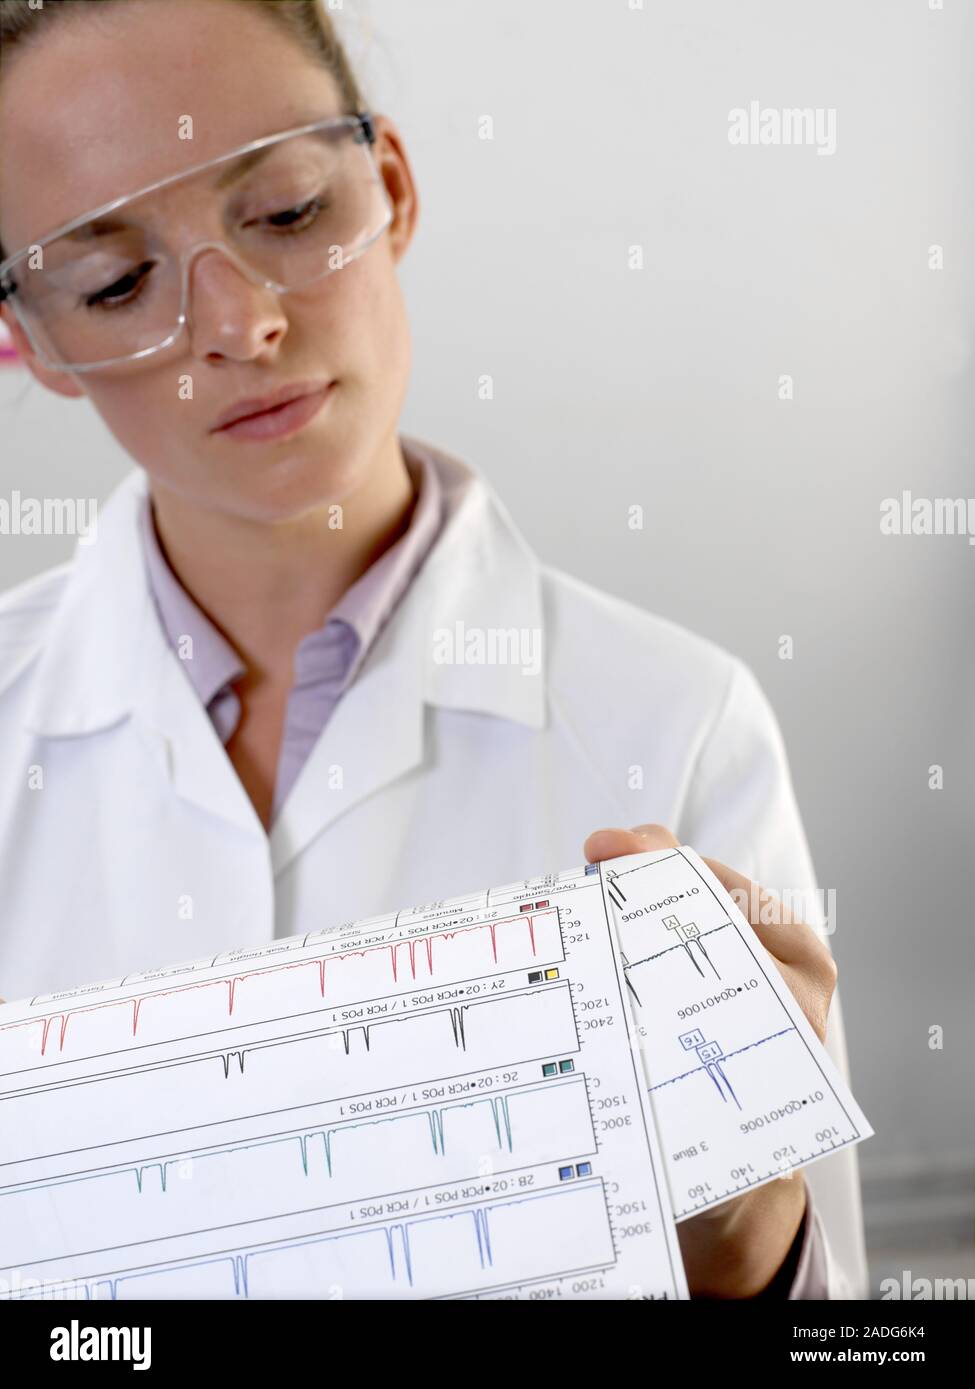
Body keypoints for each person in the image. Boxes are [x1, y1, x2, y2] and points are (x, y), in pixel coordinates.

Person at [0, 0, 867, 1299]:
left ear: (392, 188)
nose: (240, 323)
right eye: (114, 282)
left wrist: (742, 1236)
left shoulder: (677, 721)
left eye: (287, 211)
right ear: (35, 340)